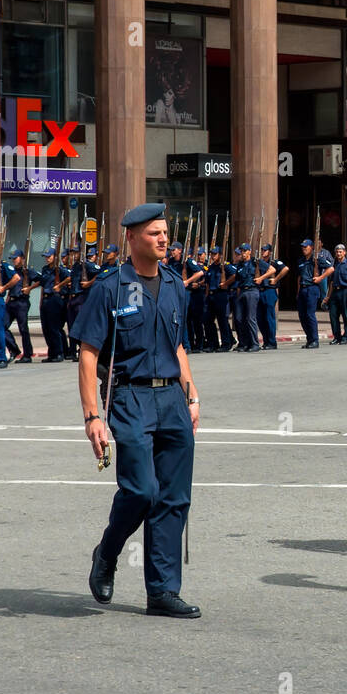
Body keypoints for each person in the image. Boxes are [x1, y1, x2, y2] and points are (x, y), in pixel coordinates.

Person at [75, 202, 201, 619]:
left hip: (172, 400)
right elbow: (89, 353)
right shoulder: (110, 288)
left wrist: (192, 393)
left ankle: (163, 592)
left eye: (165, 232)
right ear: (131, 238)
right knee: (142, 490)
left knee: (173, 498)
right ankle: (108, 552)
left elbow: (177, 345)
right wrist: (93, 416)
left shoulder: (175, 284)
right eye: (153, 233)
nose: (163, 239)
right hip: (129, 398)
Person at [296, 238, 333, 349]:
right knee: (302, 316)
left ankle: (314, 340)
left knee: (310, 315)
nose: (304, 249)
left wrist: (320, 277)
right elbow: (299, 277)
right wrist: (298, 292)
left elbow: (331, 268)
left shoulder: (317, 259)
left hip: (312, 288)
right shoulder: (301, 260)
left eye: (306, 247)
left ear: (312, 247)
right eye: (302, 247)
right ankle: (309, 339)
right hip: (303, 289)